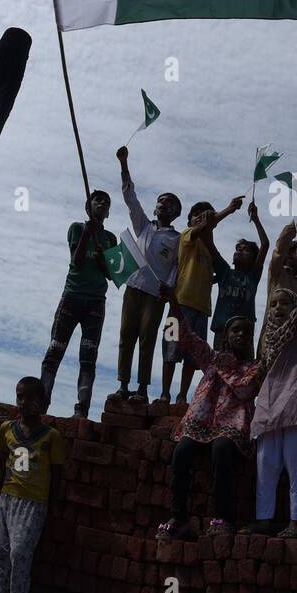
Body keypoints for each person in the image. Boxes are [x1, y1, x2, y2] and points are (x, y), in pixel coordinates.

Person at [156, 287, 263, 539]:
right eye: (235, 330)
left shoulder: (255, 366)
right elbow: (186, 336)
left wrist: (226, 368)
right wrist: (173, 302)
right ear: (226, 336)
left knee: (222, 448)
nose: (240, 335)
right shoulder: (212, 357)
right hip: (202, 421)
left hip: (232, 423)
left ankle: (223, 517)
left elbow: (245, 390)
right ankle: (179, 517)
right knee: (181, 451)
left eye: (246, 332)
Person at [0, 377, 66, 593]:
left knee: (20, 554)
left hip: (33, 504)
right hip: (7, 498)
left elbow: (58, 476)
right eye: (20, 397)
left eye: (31, 398)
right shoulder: (6, 429)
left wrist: (53, 507)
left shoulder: (52, 437)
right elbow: (1, 462)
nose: (24, 403)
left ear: (43, 403)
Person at [243, 241, 297, 538]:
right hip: (269, 398)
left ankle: (296, 523)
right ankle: (264, 519)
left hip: (296, 394)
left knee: (296, 464)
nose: (278, 309)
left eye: (284, 304)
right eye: (274, 304)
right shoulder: (267, 337)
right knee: (266, 463)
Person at [40, 189, 118, 417]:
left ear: (109, 212)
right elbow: (76, 260)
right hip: (72, 296)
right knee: (55, 350)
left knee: (88, 356)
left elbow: (111, 274)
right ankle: (42, 403)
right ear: (88, 206)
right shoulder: (77, 228)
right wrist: (87, 234)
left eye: (106, 201)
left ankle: (81, 410)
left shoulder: (110, 238)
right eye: (97, 199)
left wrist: (104, 256)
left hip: (95, 302)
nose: (102, 203)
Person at [161, 196, 245, 404]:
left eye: (206, 214)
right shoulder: (187, 235)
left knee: (194, 356)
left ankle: (182, 396)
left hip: (202, 309)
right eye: (197, 215)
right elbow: (205, 224)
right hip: (179, 304)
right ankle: (164, 393)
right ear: (189, 221)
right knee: (171, 348)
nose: (202, 217)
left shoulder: (209, 248)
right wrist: (229, 209)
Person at [114, 145, 181, 405]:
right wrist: (123, 164)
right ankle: (123, 384)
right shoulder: (143, 226)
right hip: (133, 286)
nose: (164, 205)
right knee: (126, 335)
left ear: (176, 213)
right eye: (161, 202)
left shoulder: (176, 238)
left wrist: (170, 287)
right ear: (154, 209)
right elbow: (130, 197)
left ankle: (141, 389)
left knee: (147, 339)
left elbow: (176, 267)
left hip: (155, 294)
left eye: (170, 204)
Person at [211, 201, 269, 352]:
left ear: (253, 259)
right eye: (238, 249)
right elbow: (208, 242)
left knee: (244, 372)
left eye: (245, 250)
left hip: (245, 332)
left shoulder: (253, 275)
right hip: (222, 331)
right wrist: (227, 211)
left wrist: (255, 219)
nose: (239, 251)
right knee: (219, 371)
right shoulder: (224, 271)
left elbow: (265, 244)